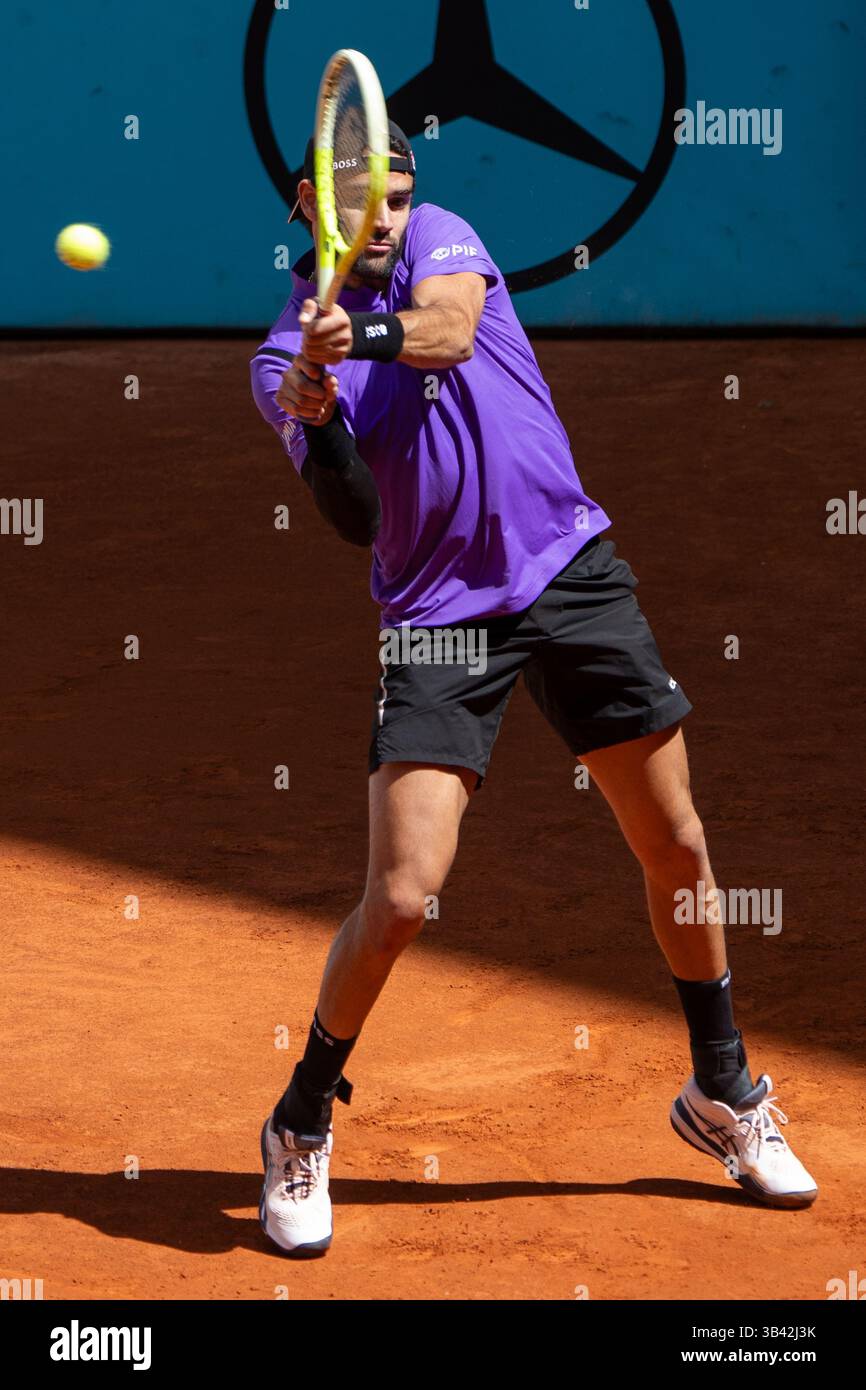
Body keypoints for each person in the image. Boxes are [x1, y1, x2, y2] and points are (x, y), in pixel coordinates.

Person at [250, 123, 817, 1257]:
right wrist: (317, 419)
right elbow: (358, 516)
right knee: (404, 897)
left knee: (677, 848)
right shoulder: (281, 359)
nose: (395, 217)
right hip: (435, 620)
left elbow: (449, 334)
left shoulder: (444, 248)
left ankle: (721, 1090)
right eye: (371, 202)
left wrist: (356, 329)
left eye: (402, 196)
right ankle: (300, 1115)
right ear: (317, 213)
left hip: (567, 570)